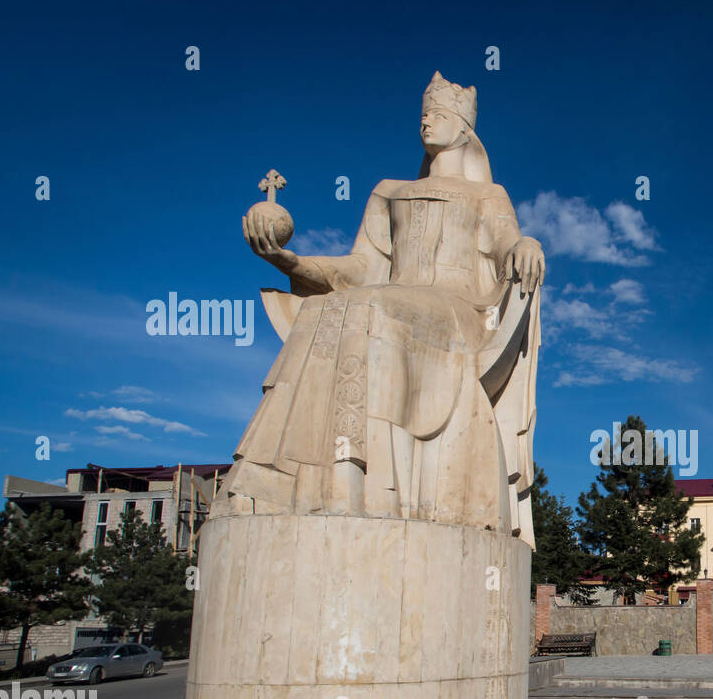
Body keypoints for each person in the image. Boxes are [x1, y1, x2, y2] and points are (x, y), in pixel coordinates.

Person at [225, 72, 544, 542]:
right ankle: (297, 478)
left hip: (459, 311)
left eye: (439, 115)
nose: (427, 123)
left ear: (464, 128)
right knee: (326, 310)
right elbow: (359, 269)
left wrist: (528, 244)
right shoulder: (387, 191)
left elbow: (508, 248)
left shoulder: (487, 195)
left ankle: (347, 476)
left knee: (370, 307)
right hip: (392, 299)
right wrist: (286, 259)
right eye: (424, 115)